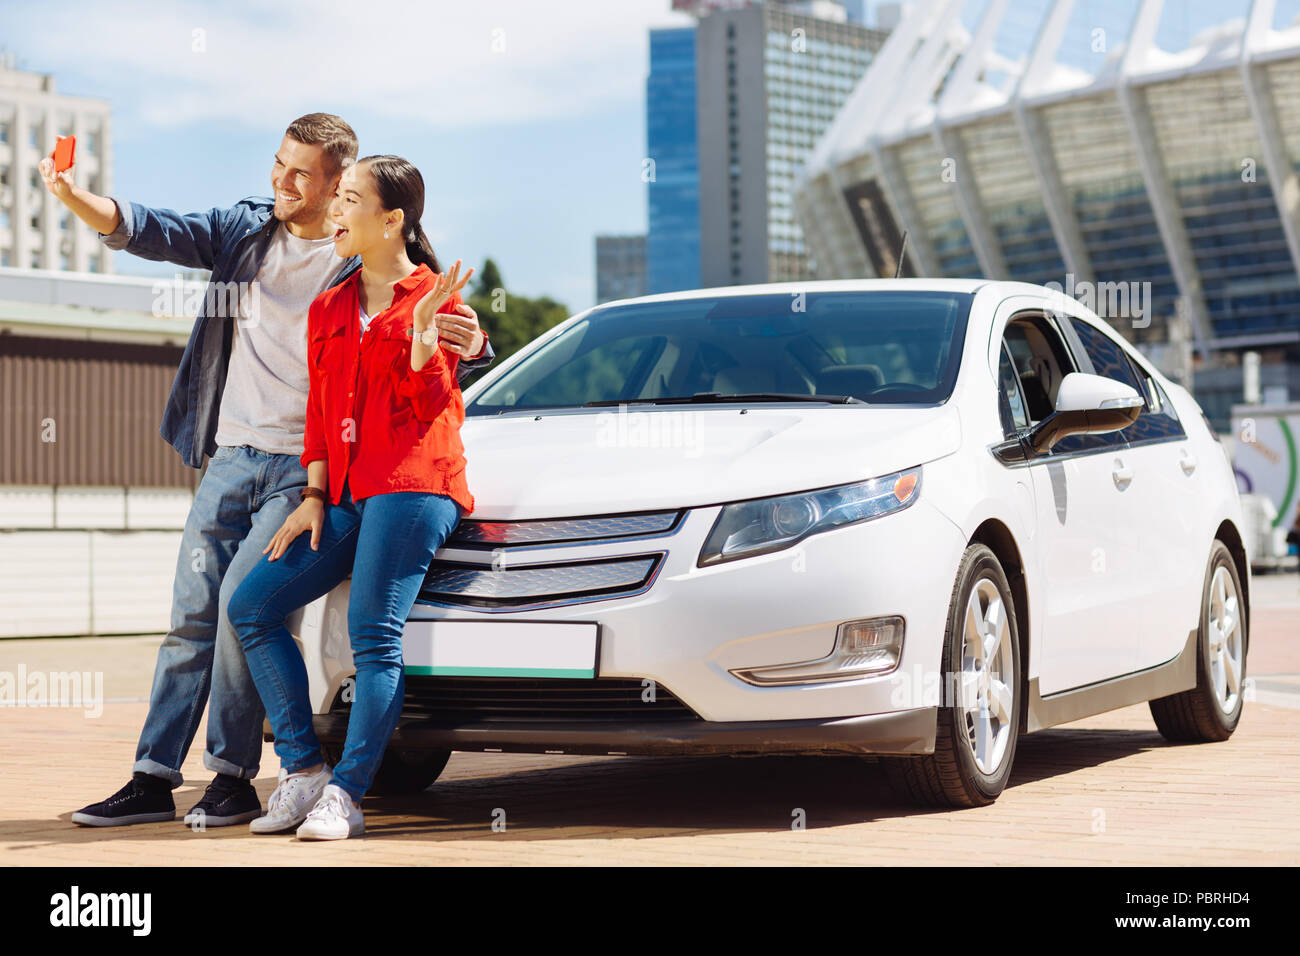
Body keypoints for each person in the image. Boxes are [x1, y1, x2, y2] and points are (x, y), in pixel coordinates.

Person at [45, 114, 494, 828]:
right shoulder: (254, 241)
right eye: (278, 165)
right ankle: (155, 776)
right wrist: (71, 195)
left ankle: (237, 779)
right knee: (195, 615)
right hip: (246, 458)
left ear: (340, 185)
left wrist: (467, 342)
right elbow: (152, 227)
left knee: (245, 613)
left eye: (308, 175)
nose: (283, 181)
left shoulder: (368, 264)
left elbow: (435, 351)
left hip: (332, 474)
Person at [227, 155, 475, 841]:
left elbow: (429, 407)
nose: (334, 211)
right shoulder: (330, 307)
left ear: (391, 220)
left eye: (349, 199)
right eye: (335, 197)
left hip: (414, 484)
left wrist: (426, 330)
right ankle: (303, 769)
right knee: (251, 605)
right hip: (343, 493)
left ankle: (348, 792)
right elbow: (318, 412)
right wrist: (312, 493)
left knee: (373, 633)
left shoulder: (437, 295)